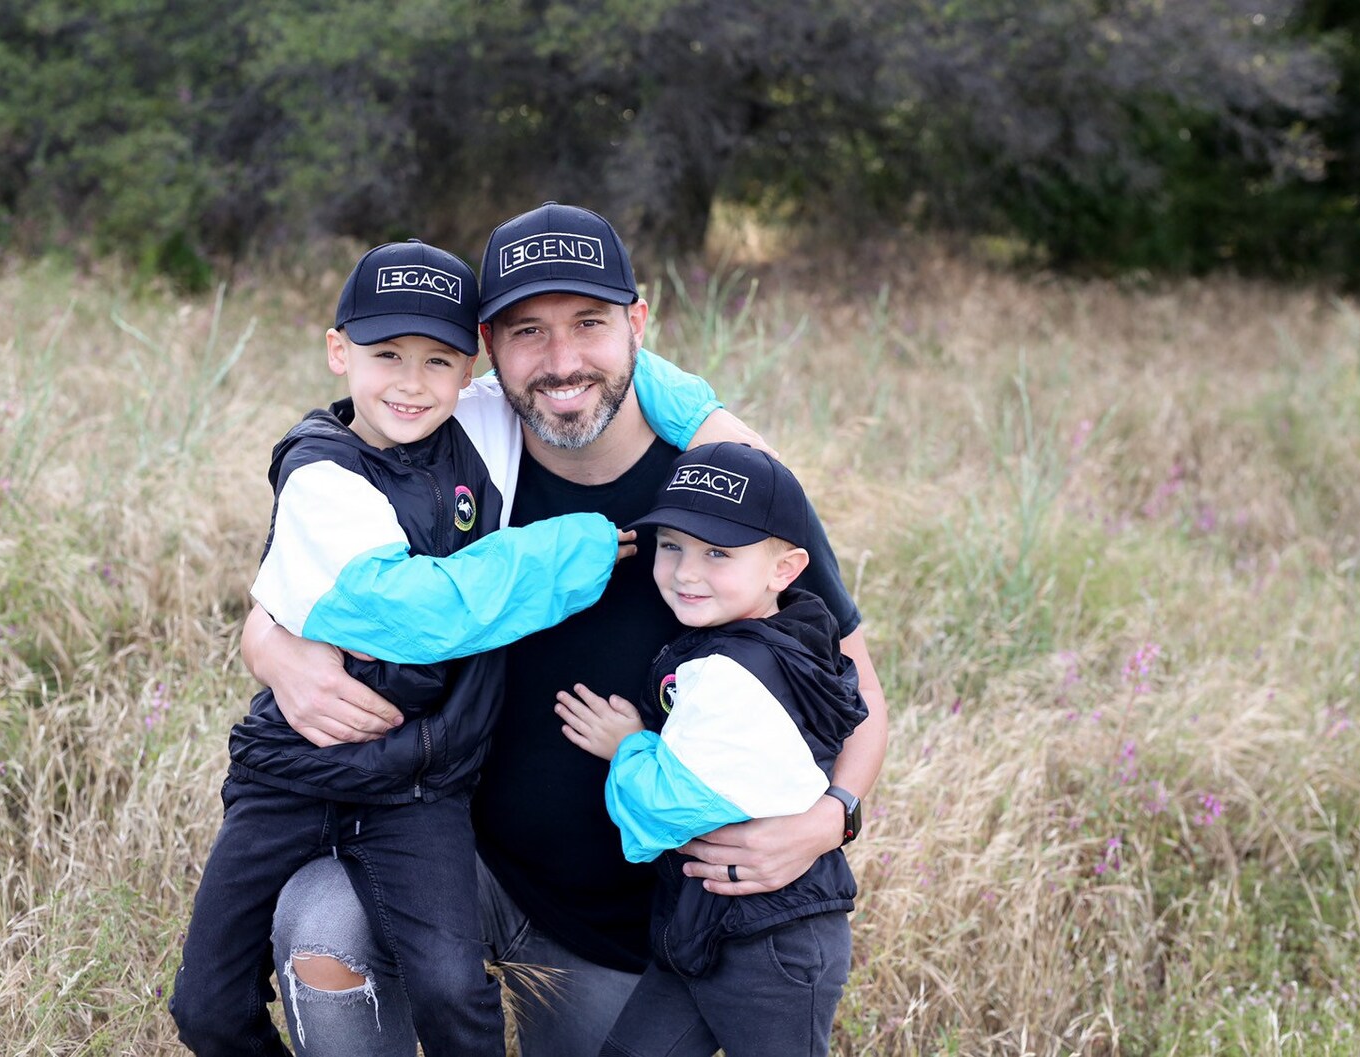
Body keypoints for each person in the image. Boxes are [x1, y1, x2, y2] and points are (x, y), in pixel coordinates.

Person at [240, 202, 889, 1057]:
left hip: (621, 928)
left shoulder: (731, 492)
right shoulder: (453, 451)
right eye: (526, 332)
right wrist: (270, 645)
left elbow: (860, 693)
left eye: (589, 324)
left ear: (637, 325)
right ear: (485, 347)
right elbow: (312, 578)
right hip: (451, 862)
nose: (562, 362)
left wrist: (828, 818)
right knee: (322, 925)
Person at [169, 238, 732, 1056]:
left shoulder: (481, 420)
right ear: (338, 352)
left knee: (451, 989)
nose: (411, 381)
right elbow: (407, 608)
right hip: (295, 775)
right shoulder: (322, 471)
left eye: (439, 359)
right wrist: (561, 552)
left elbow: (598, 362)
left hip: (425, 793)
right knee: (207, 1006)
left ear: (470, 365)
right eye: (387, 354)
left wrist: (719, 424)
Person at [555, 441, 867, 1056]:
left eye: (718, 553)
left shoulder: (733, 672)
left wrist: (629, 748)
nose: (686, 571)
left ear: (785, 567)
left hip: (771, 939)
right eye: (670, 546)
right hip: (707, 922)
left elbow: (666, 810)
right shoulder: (789, 632)